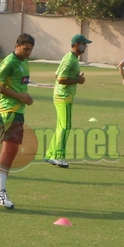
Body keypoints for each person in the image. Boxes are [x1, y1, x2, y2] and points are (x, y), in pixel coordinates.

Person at [0, 33, 35, 209]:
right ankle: (0, 190)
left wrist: (25, 98)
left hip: (17, 110)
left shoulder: (23, 62)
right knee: (10, 147)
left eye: (30, 49)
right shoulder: (10, 62)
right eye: (25, 48)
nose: (28, 52)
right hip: (8, 110)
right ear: (17, 46)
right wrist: (20, 96)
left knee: (12, 148)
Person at [45, 33, 91, 168]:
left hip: (63, 96)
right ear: (76, 45)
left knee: (61, 126)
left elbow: (57, 74)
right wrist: (77, 80)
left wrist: (75, 76)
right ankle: (58, 156)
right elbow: (59, 78)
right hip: (63, 97)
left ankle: (50, 154)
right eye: (84, 44)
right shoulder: (70, 60)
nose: (85, 47)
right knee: (66, 126)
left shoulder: (71, 58)